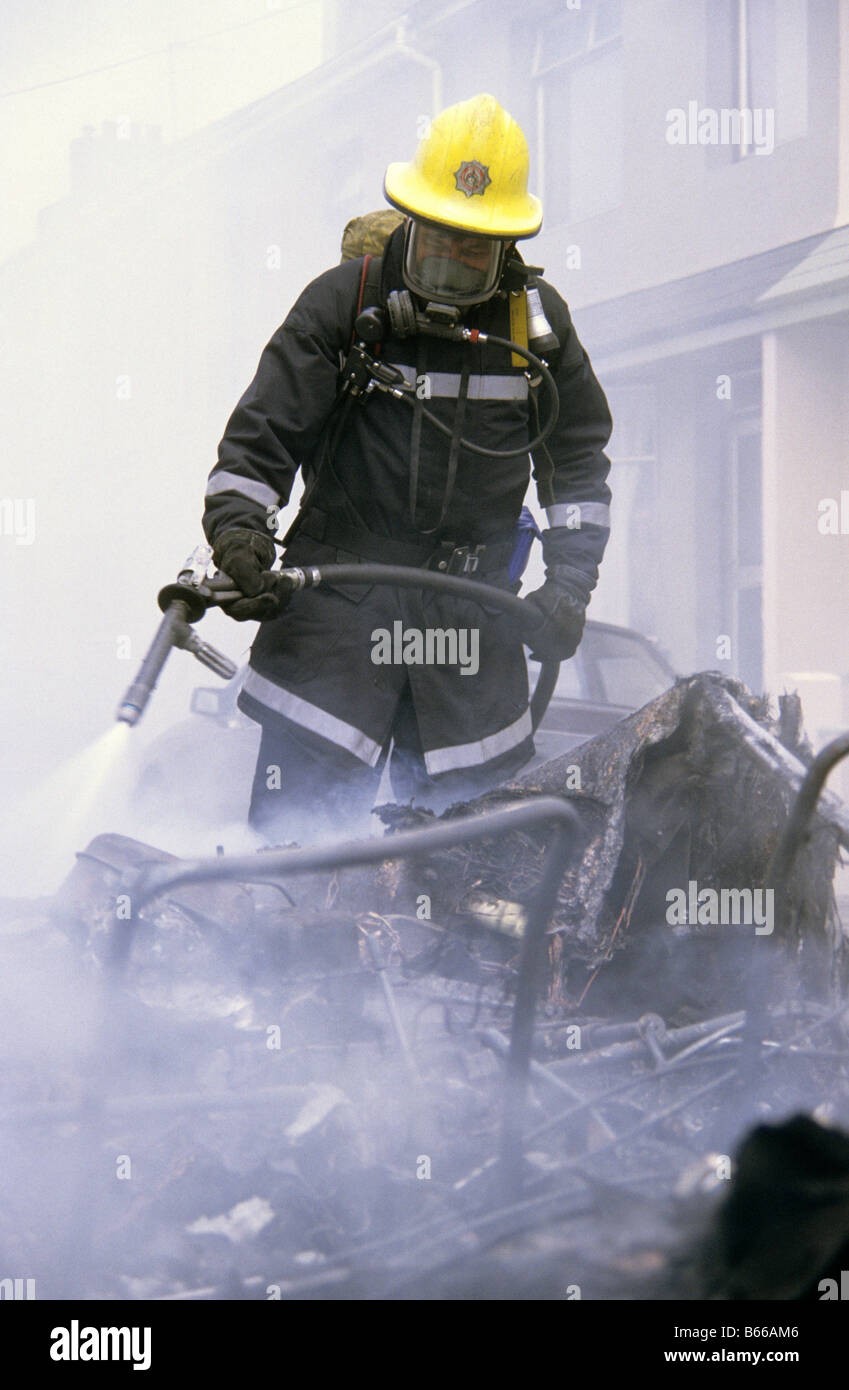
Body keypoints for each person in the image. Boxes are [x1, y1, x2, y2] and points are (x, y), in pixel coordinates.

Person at [202, 93, 612, 842]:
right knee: (293, 857)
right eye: (441, 238)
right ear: (412, 220)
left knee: (470, 870)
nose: (454, 260)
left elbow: (577, 462)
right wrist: (241, 536)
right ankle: (279, 959)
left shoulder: (536, 329)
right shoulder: (341, 305)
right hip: (334, 619)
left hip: (469, 631)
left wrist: (570, 583)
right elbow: (260, 441)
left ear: (506, 246)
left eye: (475, 246)